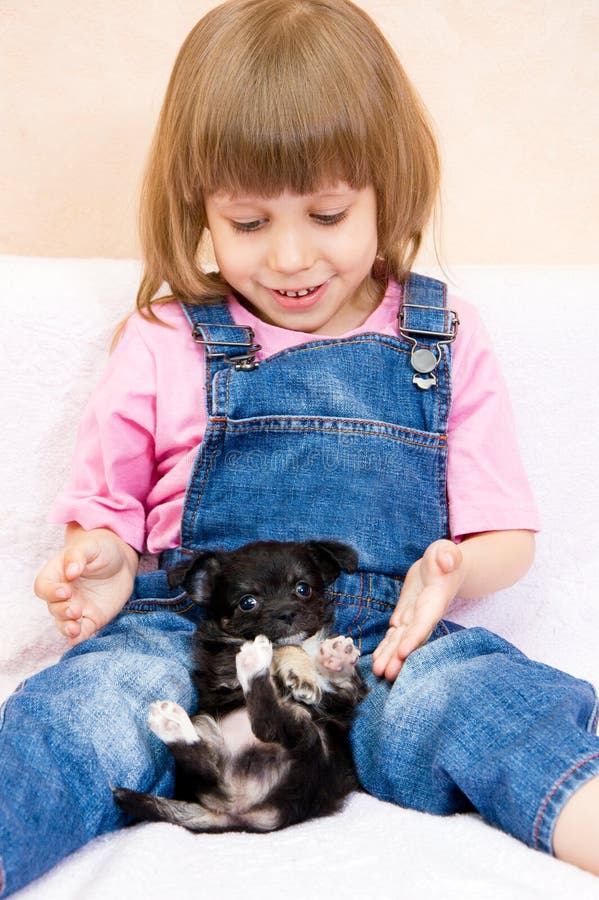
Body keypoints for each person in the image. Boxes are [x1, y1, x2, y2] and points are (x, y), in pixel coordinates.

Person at [1, 0, 598, 894]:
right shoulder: (169, 339)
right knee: (86, 705)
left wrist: (454, 571)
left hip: (385, 640)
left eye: (325, 214)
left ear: (386, 193)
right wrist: (103, 560)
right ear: (198, 206)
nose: (287, 257)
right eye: (247, 224)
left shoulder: (439, 338)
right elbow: (112, 520)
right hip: (191, 633)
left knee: (477, 704)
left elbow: (504, 539)